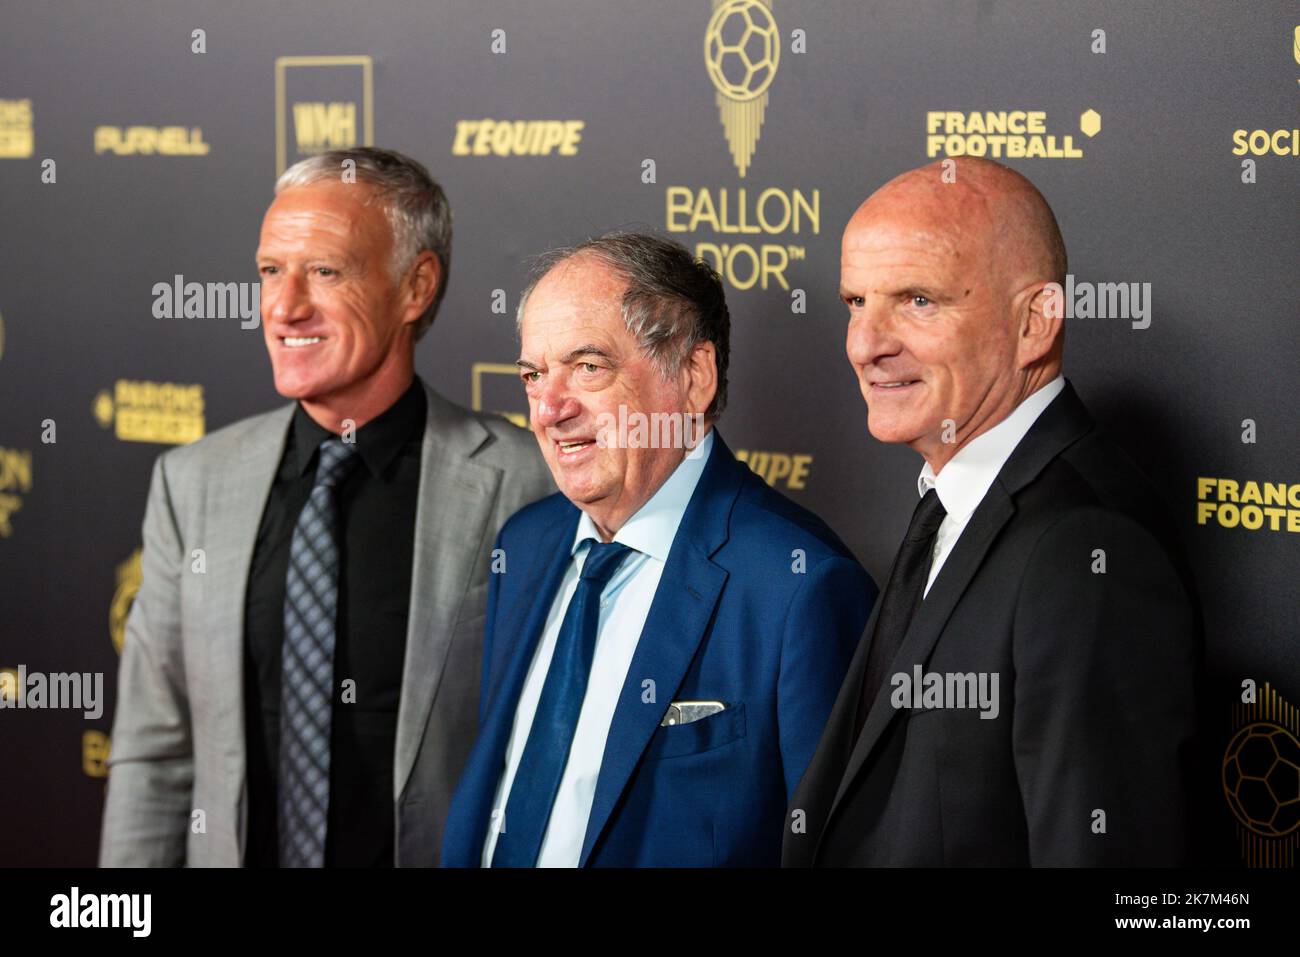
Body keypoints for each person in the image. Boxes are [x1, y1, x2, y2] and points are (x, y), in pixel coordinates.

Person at [100, 147, 553, 867]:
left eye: (325, 271)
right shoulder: (191, 484)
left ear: (416, 287)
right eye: (270, 271)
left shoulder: (529, 483)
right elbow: (156, 754)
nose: (284, 307)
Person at [784, 158, 1200, 867]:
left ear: (1035, 322)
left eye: (918, 300)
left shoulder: (1085, 548)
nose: (865, 344)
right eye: (856, 301)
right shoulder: (952, 499)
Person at [441, 232, 876, 867]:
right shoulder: (525, 546)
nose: (548, 409)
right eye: (534, 374)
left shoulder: (799, 586)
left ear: (693, 377)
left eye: (588, 367)